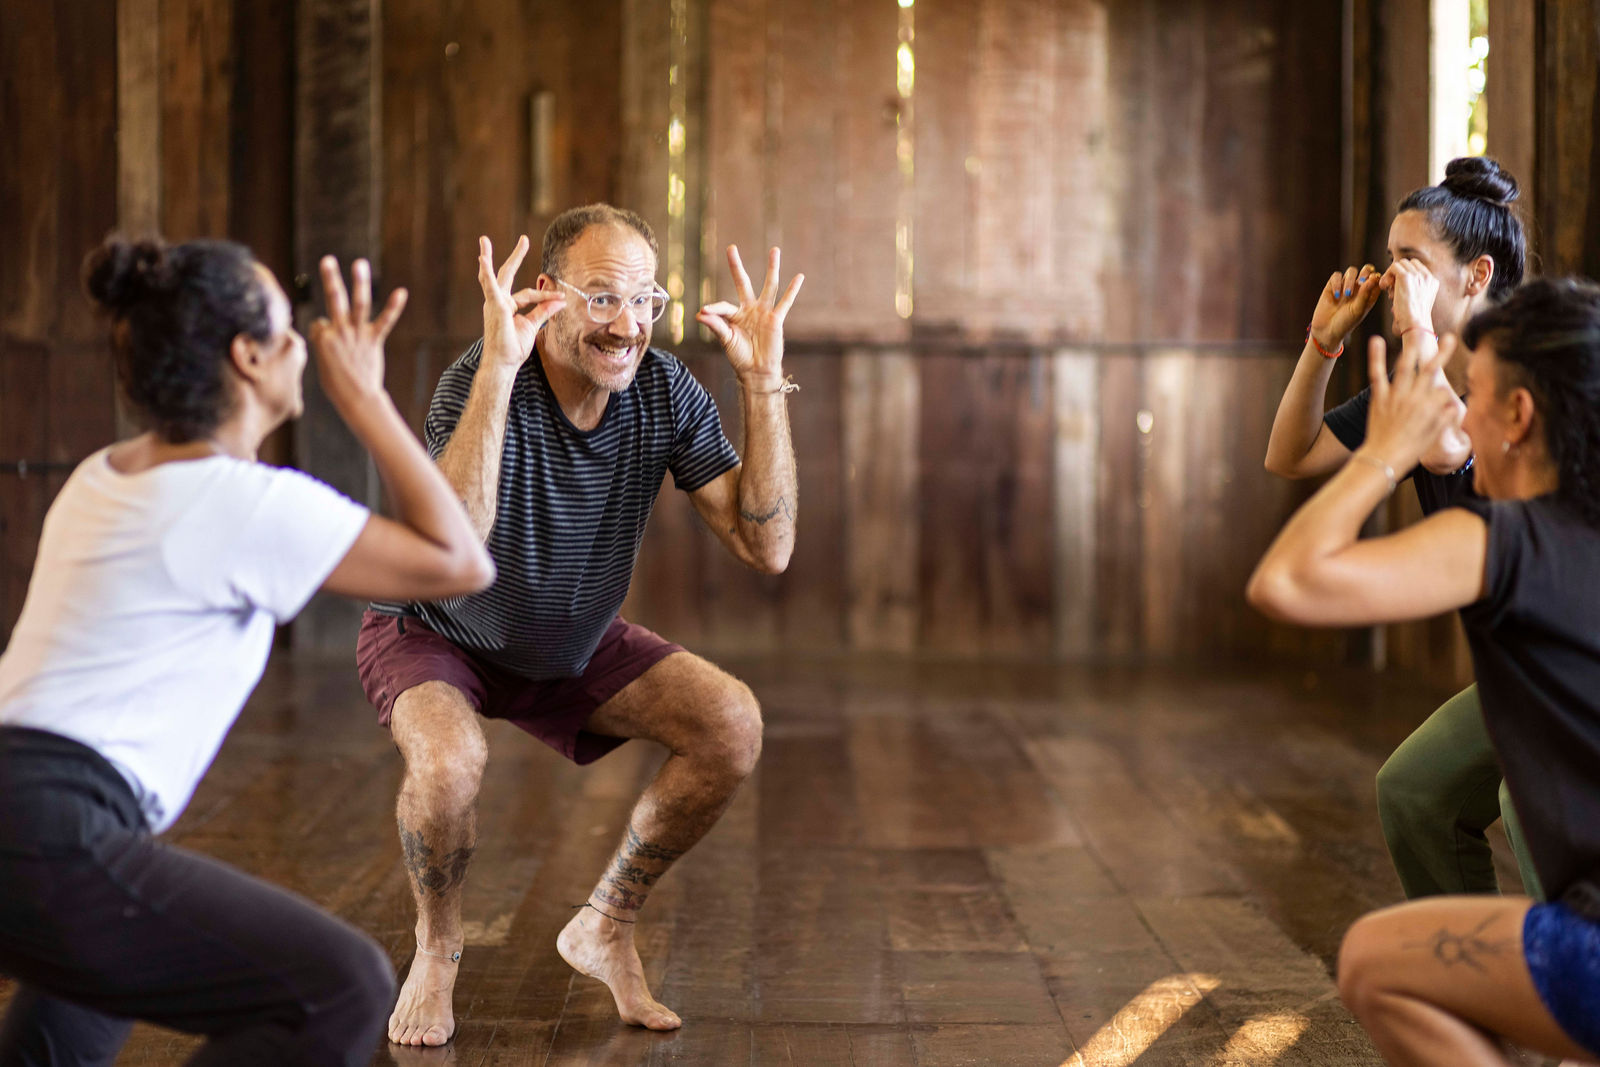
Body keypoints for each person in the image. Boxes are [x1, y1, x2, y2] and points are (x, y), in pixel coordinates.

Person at [0, 236, 496, 1066]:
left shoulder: (104, 474)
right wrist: (366, 398)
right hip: (51, 823)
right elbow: (462, 563)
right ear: (250, 355)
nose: (308, 345)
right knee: (341, 986)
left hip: (38, 818)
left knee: (76, 1014)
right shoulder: (244, 502)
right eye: (290, 328)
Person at [356, 203, 804, 1045]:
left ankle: (603, 923)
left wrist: (760, 379)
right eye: (602, 299)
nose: (627, 325)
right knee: (451, 764)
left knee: (729, 722)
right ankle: (439, 943)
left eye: (645, 302)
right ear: (547, 297)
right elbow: (452, 542)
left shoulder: (667, 390)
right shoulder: (480, 378)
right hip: (439, 630)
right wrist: (496, 366)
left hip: (569, 636)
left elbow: (767, 545)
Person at [1248, 278, 1600, 1064]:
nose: (1458, 415)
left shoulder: (1507, 544)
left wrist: (1385, 450)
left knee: (1374, 961)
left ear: (1520, 416)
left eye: (1470, 394)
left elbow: (1285, 581)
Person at [1263, 157, 1542, 901]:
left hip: (1577, 655)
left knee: (1531, 800)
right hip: (1519, 672)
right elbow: (1289, 455)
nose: (1393, 278)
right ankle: (1470, 981)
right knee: (1417, 792)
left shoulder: (1525, 368)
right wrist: (1324, 342)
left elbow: (1449, 441)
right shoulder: (1421, 376)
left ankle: (1569, 993)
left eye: (1412, 261)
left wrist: (1416, 323)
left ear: (1477, 276)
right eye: (1391, 259)